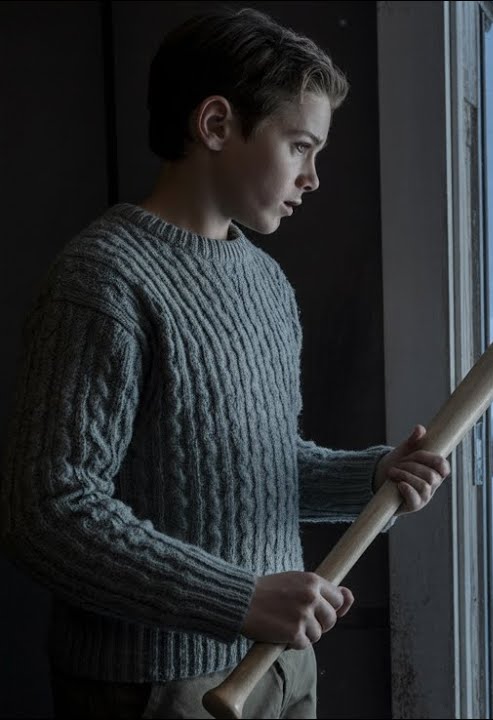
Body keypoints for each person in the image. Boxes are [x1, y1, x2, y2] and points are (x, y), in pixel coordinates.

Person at [0, 9, 451, 717]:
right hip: (152, 690)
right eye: (300, 145)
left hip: (280, 667)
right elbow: (48, 512)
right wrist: (238, 598)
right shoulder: (103, 281)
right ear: (215, 126)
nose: (314, 177)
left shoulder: (265, 282)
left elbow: (255, 466)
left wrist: (370, 477)